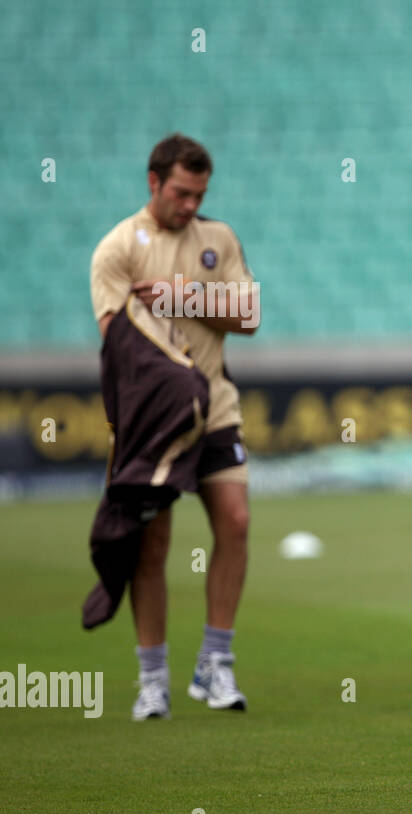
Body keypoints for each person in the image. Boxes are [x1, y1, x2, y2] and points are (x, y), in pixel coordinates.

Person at [89, 133, 259, 720]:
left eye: (199, 194)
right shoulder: (117, 248)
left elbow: (250, 315)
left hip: (215, 408)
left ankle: (215, 663)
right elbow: (120, 346)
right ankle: (152, 677)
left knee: (235, 522)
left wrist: (179, 297)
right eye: (181, 193)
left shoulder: (219, 238)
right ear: (154, 181)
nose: (189, 206)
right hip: (154, 424)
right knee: (153, 544)